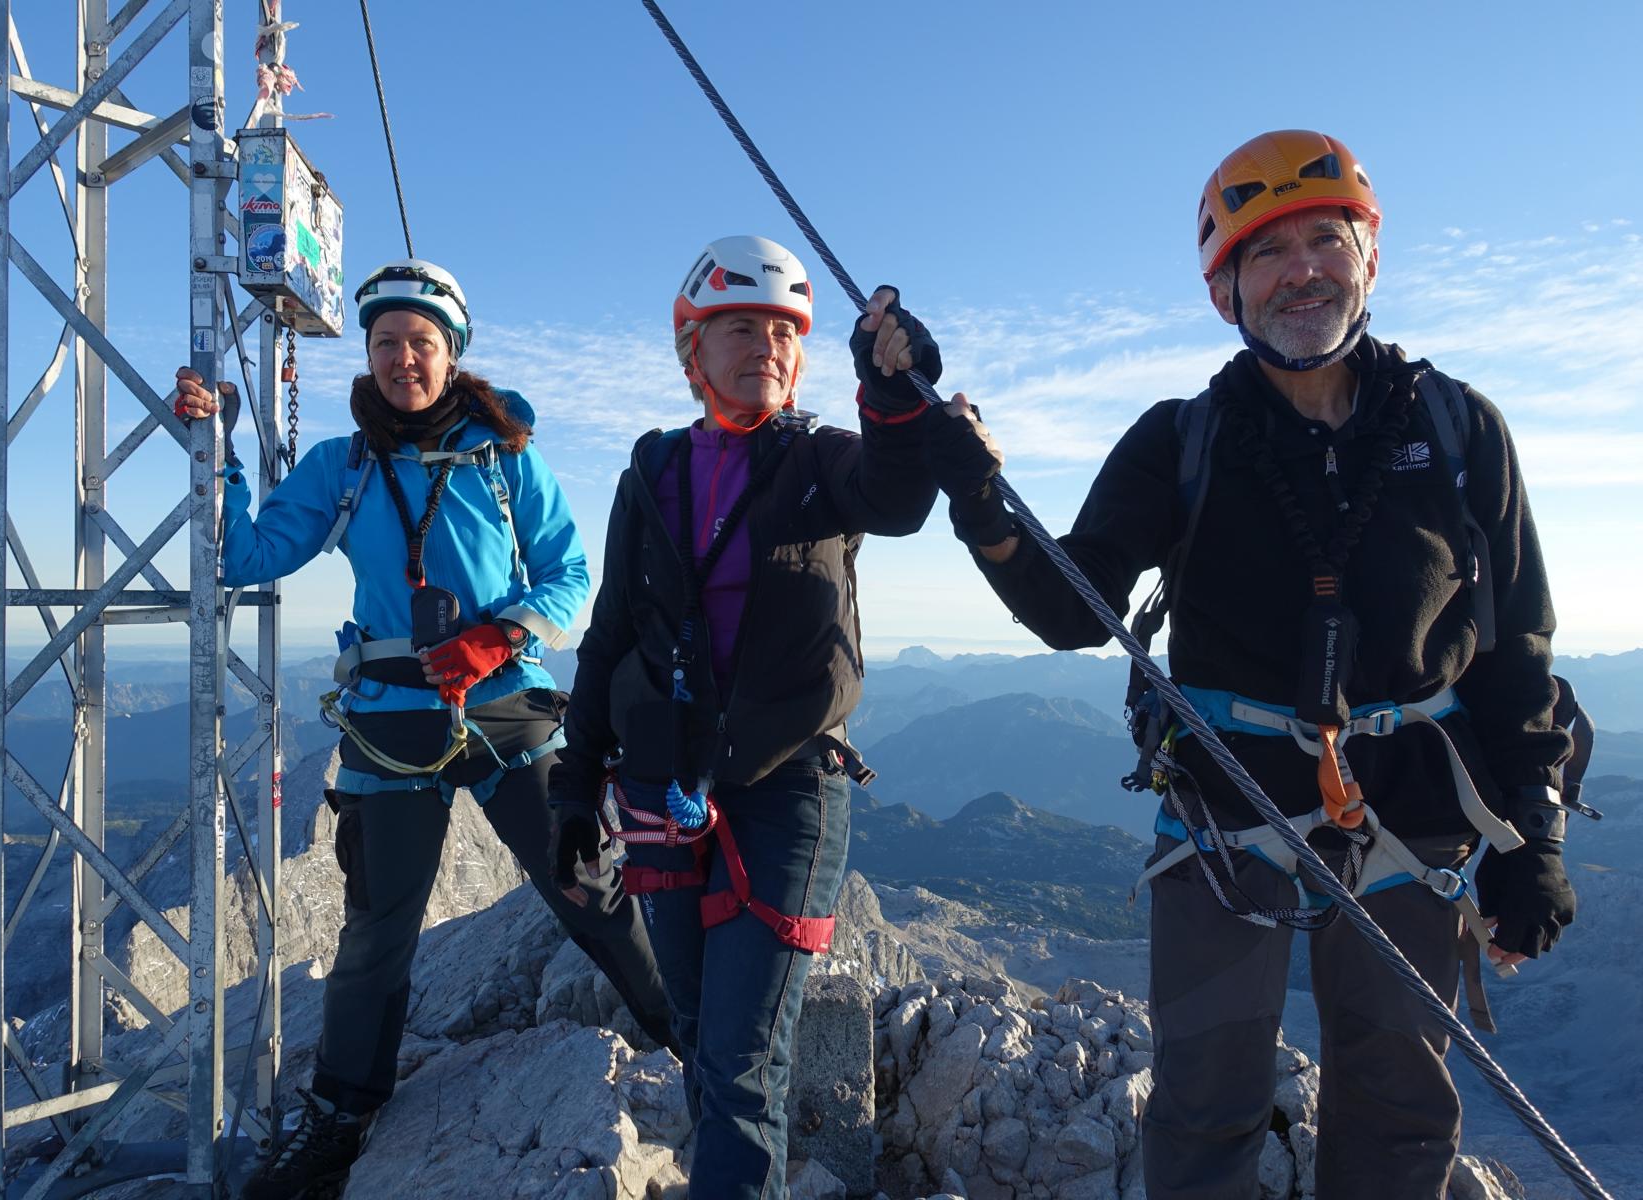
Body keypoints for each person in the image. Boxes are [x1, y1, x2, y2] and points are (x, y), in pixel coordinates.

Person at [922, 131, 1579, 1198]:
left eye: (1326, 240)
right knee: (1206, 1101)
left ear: (1370, 259)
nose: (1302, 271)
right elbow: (1071, 606)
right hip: (1227, 813)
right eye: (1267, 252)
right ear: (1224, 290)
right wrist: (982, 505)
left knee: (1402, 1110)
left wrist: (1534, 835)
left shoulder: (1461, 431)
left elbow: (1517, 649)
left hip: (1415, 813)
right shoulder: (1185, 439)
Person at [174, 258, 676, 1199]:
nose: (404, 358)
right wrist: (219, 451)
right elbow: (247, 556)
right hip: (393, 717)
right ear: (367, 354)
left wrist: (498, 636)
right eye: (387, 343)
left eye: (421, 342)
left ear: (452, 354)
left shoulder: (506, 455)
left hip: (504, 705)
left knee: (585, 882)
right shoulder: (344, 465)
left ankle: (682, 1035)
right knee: (377, 932)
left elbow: (569, 573)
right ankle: (340, 1115)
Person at [545, 235, 942, 1199]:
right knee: (697, 1031)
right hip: (660, 782)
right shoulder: (651, 471)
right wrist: (574, 785)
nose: (765, 344)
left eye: (782, 331)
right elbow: (611, 632)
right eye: (738, 328)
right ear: (693, 352)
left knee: (738, 1061)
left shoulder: (820, 461)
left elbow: (898, 497)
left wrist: (894, 391)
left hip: (789, 782)